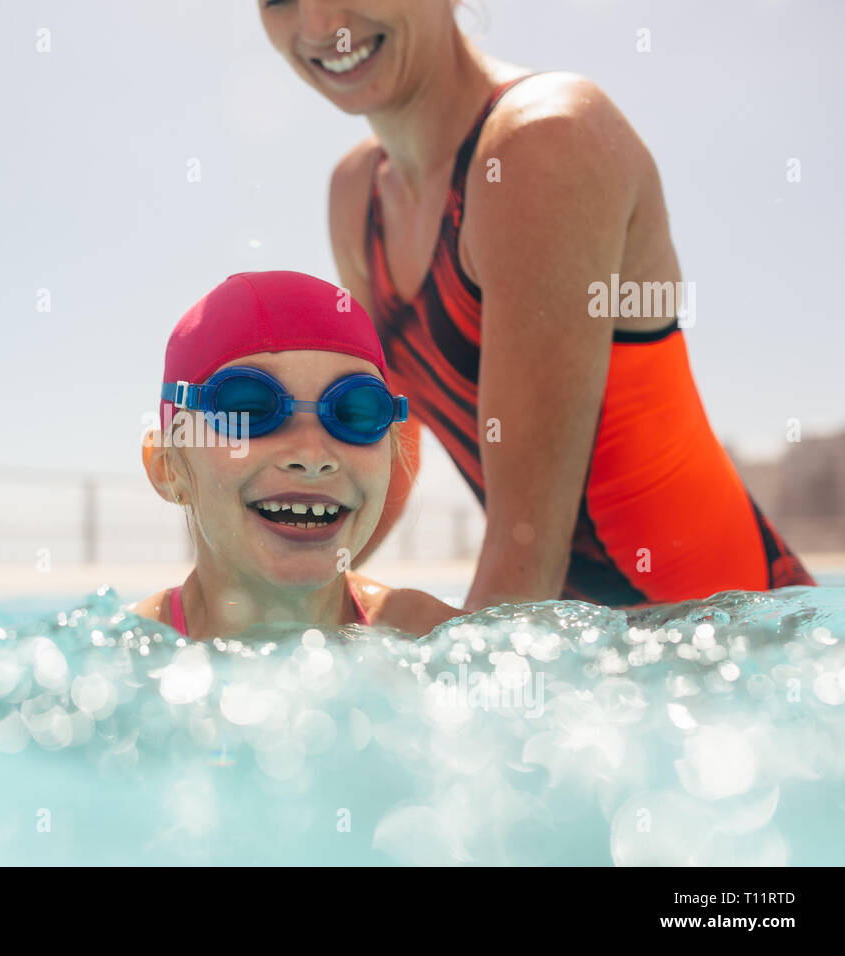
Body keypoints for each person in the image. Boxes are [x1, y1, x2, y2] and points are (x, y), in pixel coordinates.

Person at [258, 0, 816, 609]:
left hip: (734, 644)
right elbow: (387, 456)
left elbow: (527, 555)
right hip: (600, 655)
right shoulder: (356, 194)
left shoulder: (545, 141)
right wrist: (265, 605)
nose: (318, 26)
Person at [129, 270, 458, 639]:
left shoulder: (432, 639)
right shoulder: (122, 660)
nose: (312, 454)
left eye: (357, 412)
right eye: (249, 410)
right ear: (167, 467)